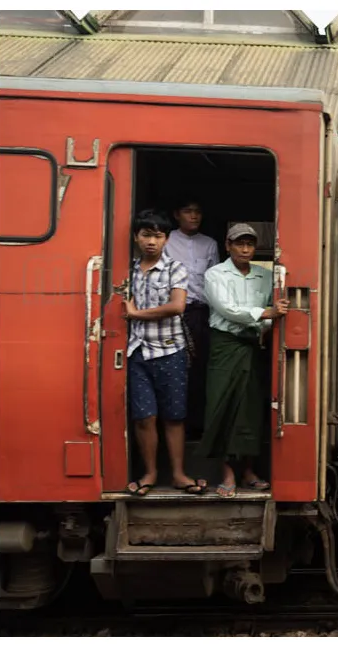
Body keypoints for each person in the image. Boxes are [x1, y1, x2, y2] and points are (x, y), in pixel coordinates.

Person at [197, 223, 289, 498]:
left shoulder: (264, 275)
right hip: (225, 345)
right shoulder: (215, 274)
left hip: (252, 345)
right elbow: (227, 309)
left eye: (249, 244)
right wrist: (266, 314)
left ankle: (248, 470)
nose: (245, 249)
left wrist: (263, 326)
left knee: (250, 409)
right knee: (221, 405)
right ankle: (227, 473)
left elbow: (269, 316)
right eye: (239, 243)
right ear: (228, 246)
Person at [124, 209, 207, 496]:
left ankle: (179, 475)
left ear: (166, 239)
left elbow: (177, 306)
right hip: (138, 352)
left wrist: (136, 314)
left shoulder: (176, 268)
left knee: (174, 417)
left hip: (171, 351)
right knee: (144, 417)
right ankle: (149, 473)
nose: (151, 241)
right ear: (136, 237)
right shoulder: (129, 270)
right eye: (146, 235)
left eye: (158, 236)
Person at [162, 197, 220, 437]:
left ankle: (196, 427)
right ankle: (174, 425)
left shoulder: (209, 244)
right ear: (177, 214)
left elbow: (215, 280)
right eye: (188, 211)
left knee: (199, 370)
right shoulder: (165, 240)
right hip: (171, 316)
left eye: (198, 211)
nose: (194, 216)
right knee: (174, 370)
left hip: (200, 314)